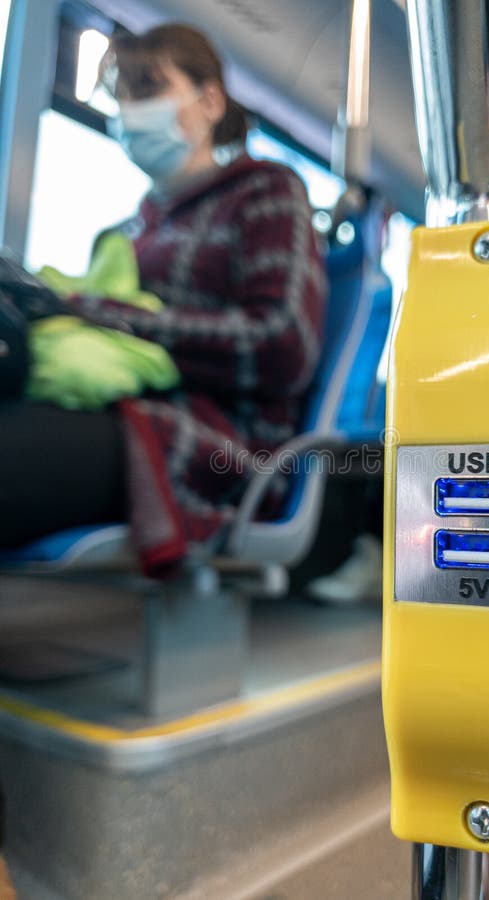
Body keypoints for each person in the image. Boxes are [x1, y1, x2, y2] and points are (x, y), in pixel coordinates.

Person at [0, 24, 326, 574]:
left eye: (147, 91)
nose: (130, 111)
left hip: (209, 441)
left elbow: (283, 345)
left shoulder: (266, 191)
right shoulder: (121, 234)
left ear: (210, 101)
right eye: (122, 97)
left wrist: (103, 316)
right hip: (115, 408)